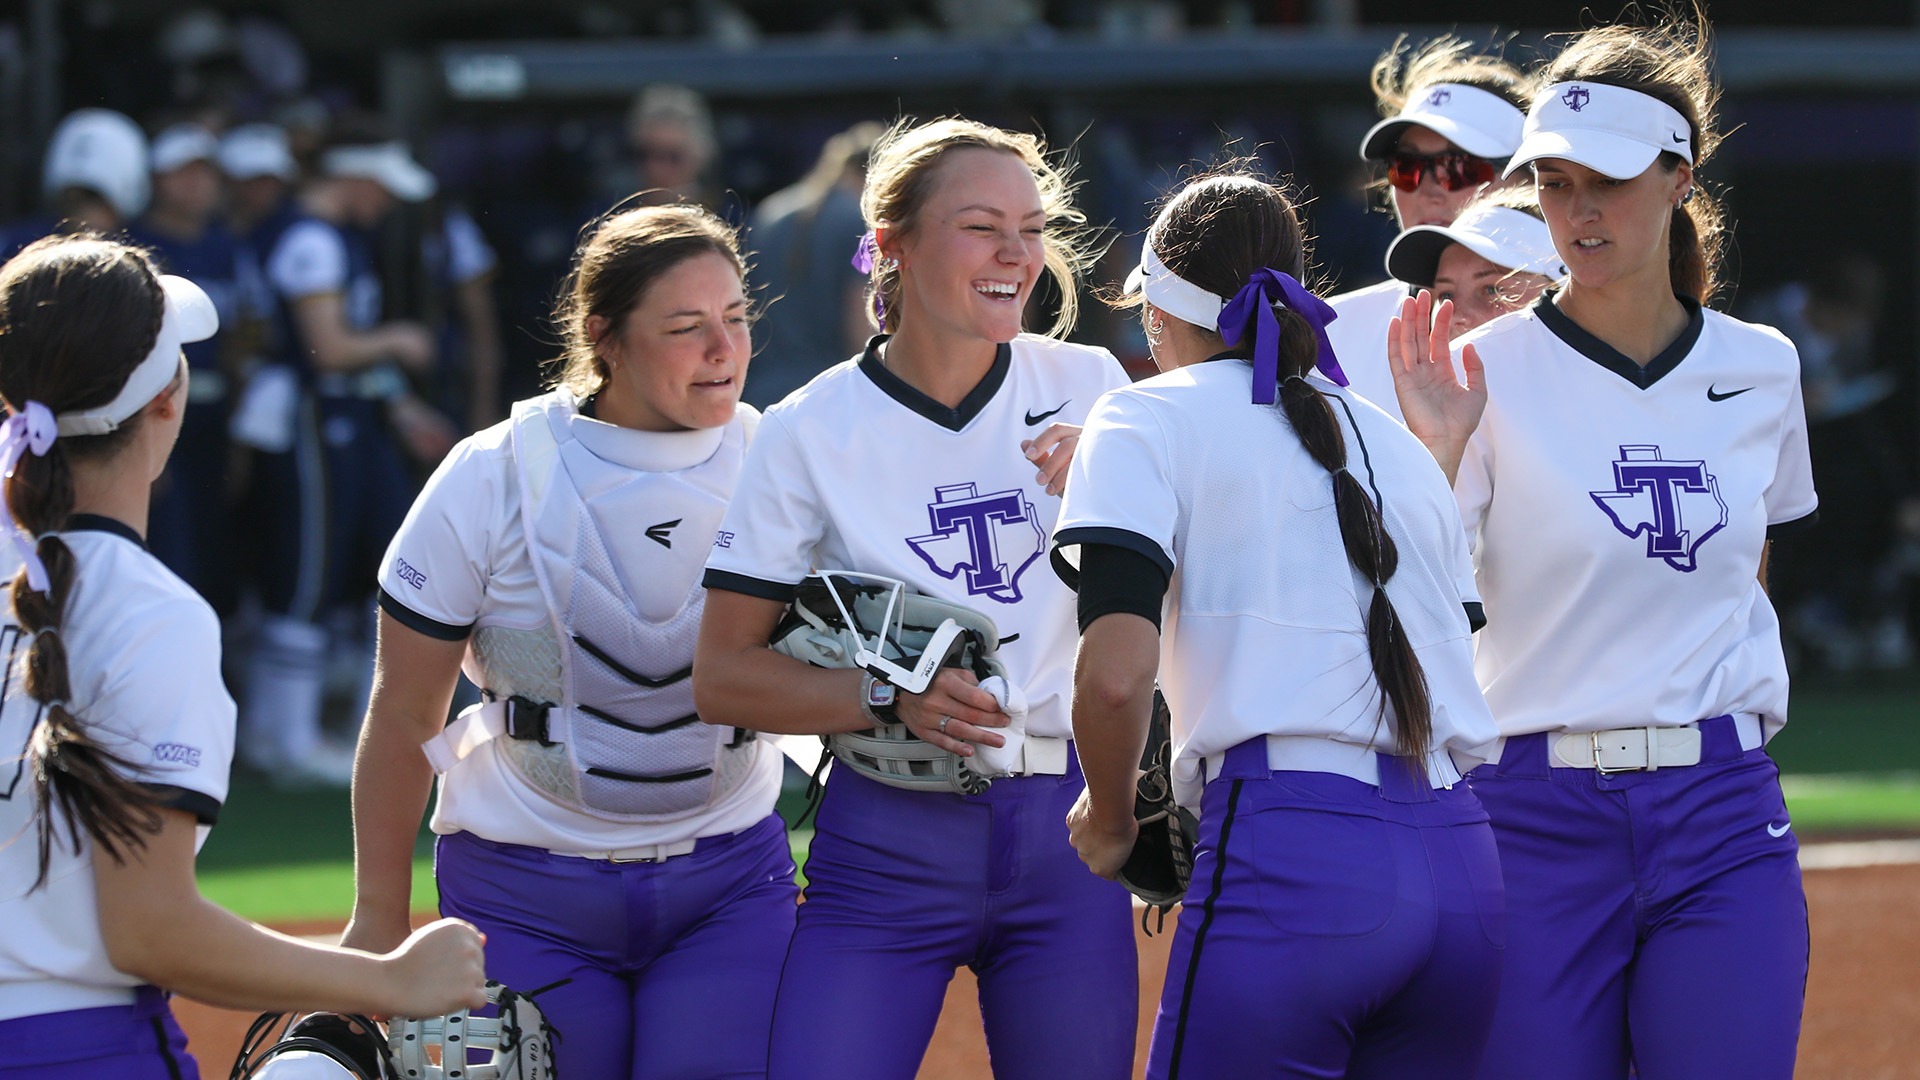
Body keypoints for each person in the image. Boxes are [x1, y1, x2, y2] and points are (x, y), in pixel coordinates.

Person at [1390, 13, 1818, 1079]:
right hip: (1529, 816)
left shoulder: (1762, 367)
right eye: (1555, 180)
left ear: (1680, 176)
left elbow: (1747, 576)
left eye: (1608, 181)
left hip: (1720, 811)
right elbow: (1413, 608)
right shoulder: (1474, 372)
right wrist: (1433, 458)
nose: (1576, 210)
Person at [695, 117, 1138, 1079]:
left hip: (1067, 824)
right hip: (887, 837)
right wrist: (884, 697)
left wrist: (1134, 487)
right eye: (982, 226)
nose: (1017, 253)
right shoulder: (806, 428)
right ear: (890, 245)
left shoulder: (1097, 385)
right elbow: (723, 675)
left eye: (1032, 225)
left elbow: (1200, 585)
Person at [0, 235, 485, 1079]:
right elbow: (151, 931)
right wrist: (388, 979)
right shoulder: (147, 613)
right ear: (168, 399)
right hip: (74, 1047)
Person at [1056, 172, 1503, 1079]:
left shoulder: (1141, 415)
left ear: (1156, 312)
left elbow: (1113, 677)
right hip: (1463, 865)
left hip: (1294, 854)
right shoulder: (1396, 445)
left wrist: (1109, 819)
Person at [342, 204, 796, 1079]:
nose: (724, 349)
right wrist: (374, 916)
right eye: (685, 326)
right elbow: (403, 713)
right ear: (605, 336)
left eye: (736, 319)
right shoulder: (492, 473)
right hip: (521, 893)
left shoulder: (781, 459)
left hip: (729, 885)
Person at [238, 135, 451, 786]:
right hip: (310, 416)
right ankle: (286, 740)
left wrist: (401, 408)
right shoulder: (312, 239)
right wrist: (399, 340)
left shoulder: (336, 238)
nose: (385, 203)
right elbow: (326, 349)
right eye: (380, 187)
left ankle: (336, 733)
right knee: (306, 574)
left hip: (348, 416)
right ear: (354, 175)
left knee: (379, 567)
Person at [1325, 37, 1529, 417]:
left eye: (1458, 168)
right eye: (1407, 168)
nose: (1429, 189)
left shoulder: (1591, 330)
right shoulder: (1327, 337)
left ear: (1530, 181)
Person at [127, 123, 257, 615]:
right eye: (184, 173)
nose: (197, 185)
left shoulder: (228, 247)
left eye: (206, 174)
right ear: (156, 178)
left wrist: (240, 434)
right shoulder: (131, 242)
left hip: (212, 416)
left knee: (213, 546)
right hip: (152, 415)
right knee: (168, 545)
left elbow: (242, 341)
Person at [1348, 186, 1562, 423]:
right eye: (1446, 295)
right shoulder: (1418, 422)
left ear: (1560, 291)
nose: (1456, 315)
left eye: (1492, 289)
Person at [743, 121, 884, 409]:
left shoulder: (771, 212)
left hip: (760, 395)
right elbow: (861, 322)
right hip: (829, 402)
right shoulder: (860, 224)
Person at [1, 109, 150, 258]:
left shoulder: (145, 251)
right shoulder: (20, 244)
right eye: (75, 200)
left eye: (97, 200)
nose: (86, 220)